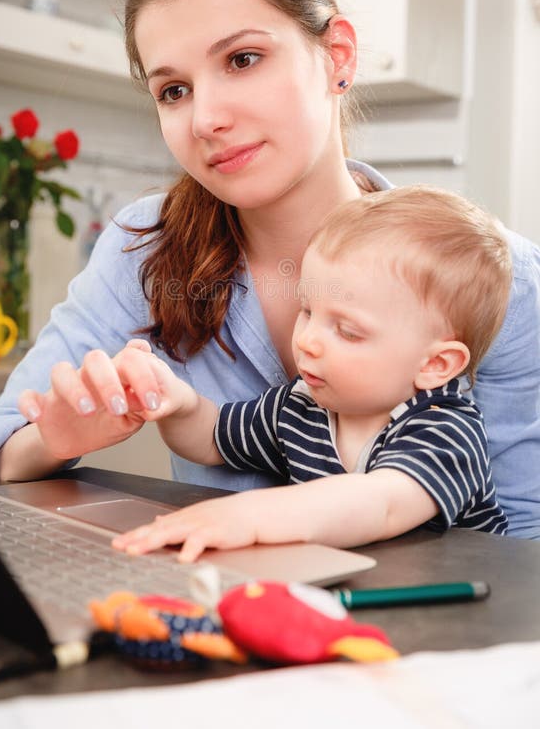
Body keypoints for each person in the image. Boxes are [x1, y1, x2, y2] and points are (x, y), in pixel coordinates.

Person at [0, 0, 540, 540]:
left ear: (336, 57)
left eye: (243, 59)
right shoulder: (144, 246)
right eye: (174, 90)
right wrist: (55, 436)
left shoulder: (502, 278)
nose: (207, 119)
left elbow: (525, 549)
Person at [106, 185, 511, 561]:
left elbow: (381, 504)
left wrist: (249, 516)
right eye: (307, 310)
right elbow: (211, 437)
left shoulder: (447, 429)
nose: (308, 341)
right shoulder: (302, 405)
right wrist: (176, 403)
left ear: (435, 365)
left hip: (454, 617)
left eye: (348, 331)